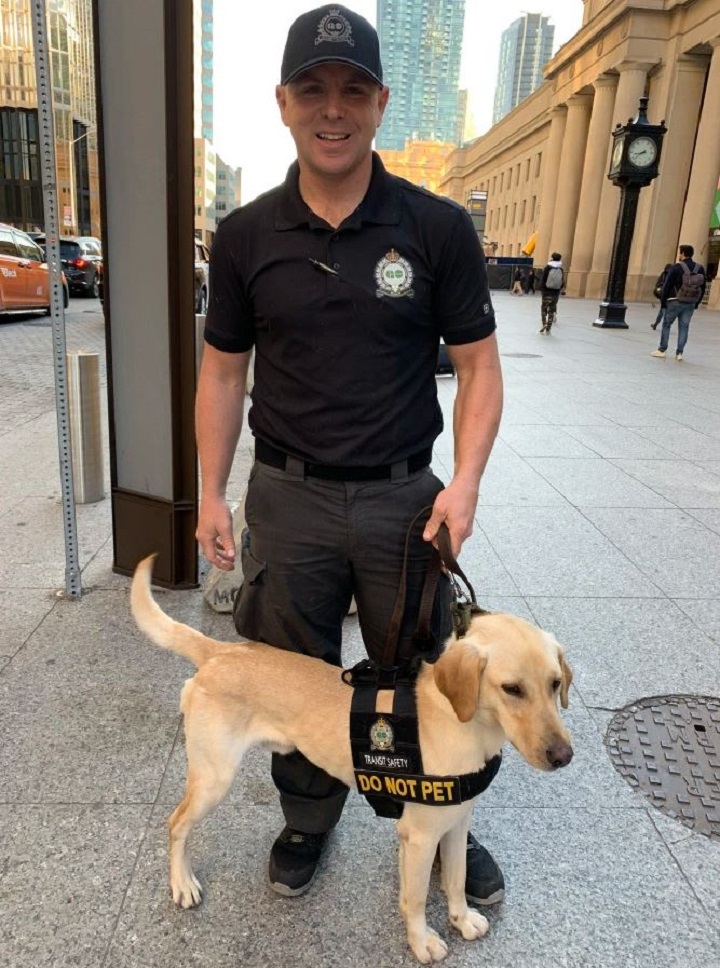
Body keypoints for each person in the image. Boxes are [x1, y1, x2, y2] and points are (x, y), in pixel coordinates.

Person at [195, 5, 504, 907]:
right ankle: (307, 818)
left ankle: (439, 809)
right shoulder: (245, 235)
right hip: (288, 498)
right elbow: (223, 375)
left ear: (380, 104)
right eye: (313, 90)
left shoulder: (436, 227)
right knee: (292, 672)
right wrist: (210, 491)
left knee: (422, 668)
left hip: (403, 500)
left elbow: (480, 368)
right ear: (283, 103)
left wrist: (466, 482)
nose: (333, 109)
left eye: (353, 91)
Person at [651, 244, 706, 361]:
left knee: (667, 324)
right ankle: (679, 353)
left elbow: (667, 285)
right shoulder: (700, 268)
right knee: (684, 327)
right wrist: (697, 303)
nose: (679, 255)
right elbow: (703, 287)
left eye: (680, 253)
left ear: (683, 253)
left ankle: (662, 349)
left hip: (675, 301)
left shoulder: (676, 267)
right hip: (690, 302)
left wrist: (663, 302)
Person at [539, 252, 564, 333]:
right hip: (555, 293)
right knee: (552, 310)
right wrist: (558, 289)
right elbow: (562, 282)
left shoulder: (547, 268)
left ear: (552, 258)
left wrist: (542, 289)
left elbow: (543, 279)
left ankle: (544, 324)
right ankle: (549, 327)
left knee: (544, 308)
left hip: (546, 292)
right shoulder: (561, 269)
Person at [651, 263, 673, 330]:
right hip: (666, 295)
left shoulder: (666, 274)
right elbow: (658, 283)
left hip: (666, 295)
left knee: (662, 311)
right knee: (663, 311)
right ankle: (659, 324)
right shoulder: (665, 275)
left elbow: (658, 283)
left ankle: (658, 324)